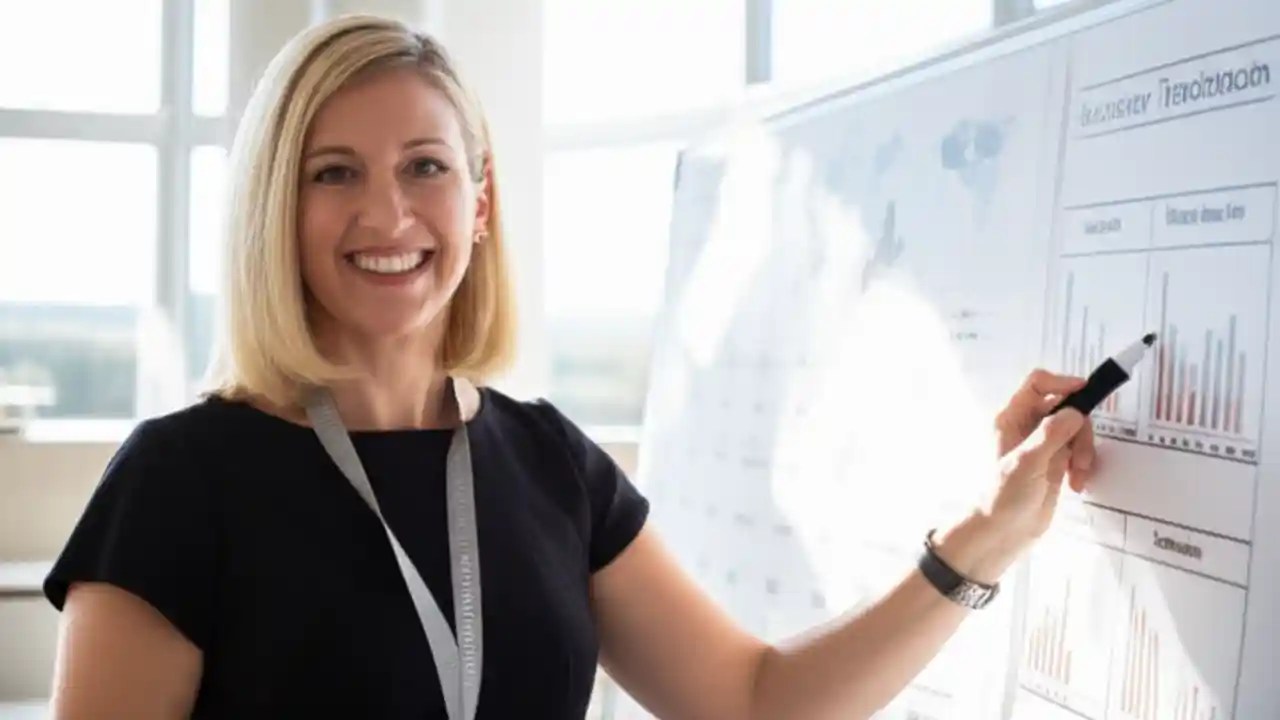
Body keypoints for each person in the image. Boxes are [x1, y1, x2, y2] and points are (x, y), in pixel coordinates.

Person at [42, 14, 1096, 720]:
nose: (387, 214)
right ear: (277, 205)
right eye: (334, 173)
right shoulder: (178, 481)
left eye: (424, 167)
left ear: (480, 202)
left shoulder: (547, 460)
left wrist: (984, 538)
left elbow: (752, 702)